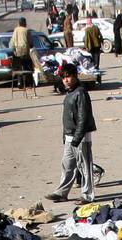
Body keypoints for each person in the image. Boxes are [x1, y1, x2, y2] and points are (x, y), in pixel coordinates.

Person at [48, 63, 97, 203]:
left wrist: (77, 137)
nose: (66, 80)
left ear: (75, 76)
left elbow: (83, 117)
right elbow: (67, 118)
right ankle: (61, 192)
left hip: (81, 137)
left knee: (84, 166)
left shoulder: (81, 93)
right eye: (64, 78)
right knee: (67, 165)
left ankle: (87, 195)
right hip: (70, 136)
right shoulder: (70, 93)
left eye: (68, 77)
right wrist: (66, 136)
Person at [11, 17, 35, 81]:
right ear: (24, 23)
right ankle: (30, 82)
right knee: (28, 65)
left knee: (19, 67)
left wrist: (14, 50)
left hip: (17, 51)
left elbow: (12, 41)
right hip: (25, 51)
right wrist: (31, 46)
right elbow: (30, 43)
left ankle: (19, 82)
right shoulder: (26, 30)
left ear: (19, 23)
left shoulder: (15, 30)